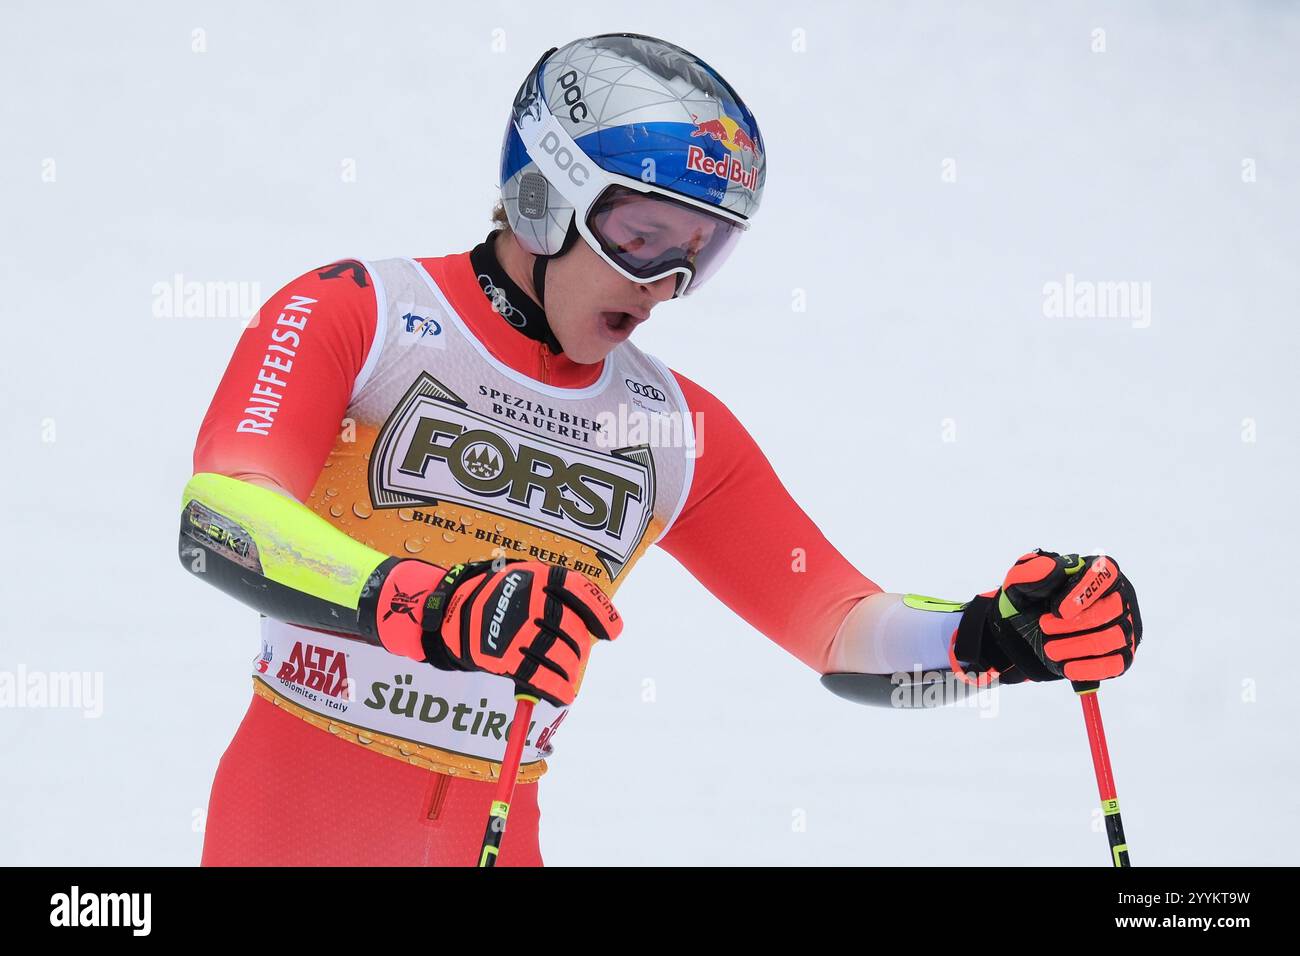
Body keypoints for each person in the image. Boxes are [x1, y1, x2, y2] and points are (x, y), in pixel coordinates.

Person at [179, 32, 1142, 867]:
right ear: (544, 195)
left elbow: (842, 634)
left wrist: (999, 639)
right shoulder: (362, 311)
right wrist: (431, 607)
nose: (666, 283)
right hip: (291, 825)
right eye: (643, 236)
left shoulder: (672, 429)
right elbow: (222, 516)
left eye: (702, 253)